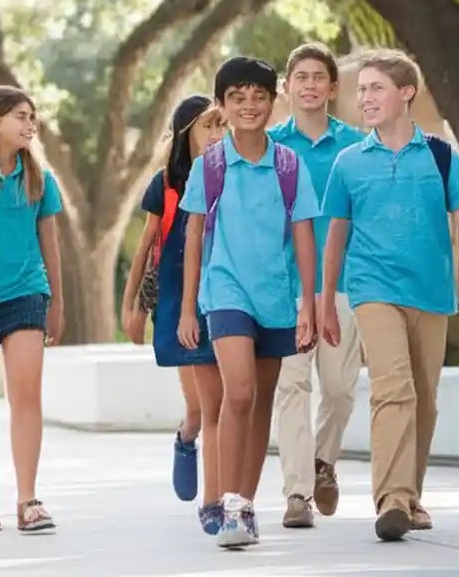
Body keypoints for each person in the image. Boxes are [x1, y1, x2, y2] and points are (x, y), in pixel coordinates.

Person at [320, 48, 459, 542]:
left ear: (406, 93)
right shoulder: (349, 163)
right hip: (373, 289)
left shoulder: (440, 155)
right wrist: (327, 298)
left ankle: (410, 497)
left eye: (376, 88)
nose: (364, 97)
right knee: (394, 389)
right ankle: (391, 499)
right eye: (362, 88)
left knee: (425, 398)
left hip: (432, 293)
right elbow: (336, 236)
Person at [178, 56, 320, 548]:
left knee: (259, 404)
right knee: (238, 394)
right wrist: (187, 308)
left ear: (272, 101)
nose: (249, 106)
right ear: (222, 105)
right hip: (225, 292)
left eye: (258, 97)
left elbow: (304, 234)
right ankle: (229, 503)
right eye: (237, 98)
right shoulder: (209, 166)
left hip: (276, 297)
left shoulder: (288, 165)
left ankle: (243, 504)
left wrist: (309, 302)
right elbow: (194, 237)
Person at [267, 42, 367, 528]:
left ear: (332, 86)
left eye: (317, 77)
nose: (309, 85)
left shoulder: (355, 146)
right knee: (291, 385)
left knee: (340, 388)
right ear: (287, 87)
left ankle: (324, 461)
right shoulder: (269, 147)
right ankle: (297, 493)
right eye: (300, 77)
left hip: (343, 284)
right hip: (285, 287)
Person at [120, 95, 227, 533]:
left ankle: (214, 501)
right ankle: (187, 439)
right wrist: (130, 308)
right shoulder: (165, 184)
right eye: (208, 126)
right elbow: (146, 248)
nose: (218, 134)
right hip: (177, 302)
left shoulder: (233, 176)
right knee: (201, 408)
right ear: (187, 135)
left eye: (222, 125)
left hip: (223, 297)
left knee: (219, 403)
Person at [0, 86, 64, 535]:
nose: (30, 125)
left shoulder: (39, 177)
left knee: (26, 395)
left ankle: (29, 499)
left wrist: (56, 302)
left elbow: (50, 243)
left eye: (32, 117)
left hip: (26, 293)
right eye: (20, 117)